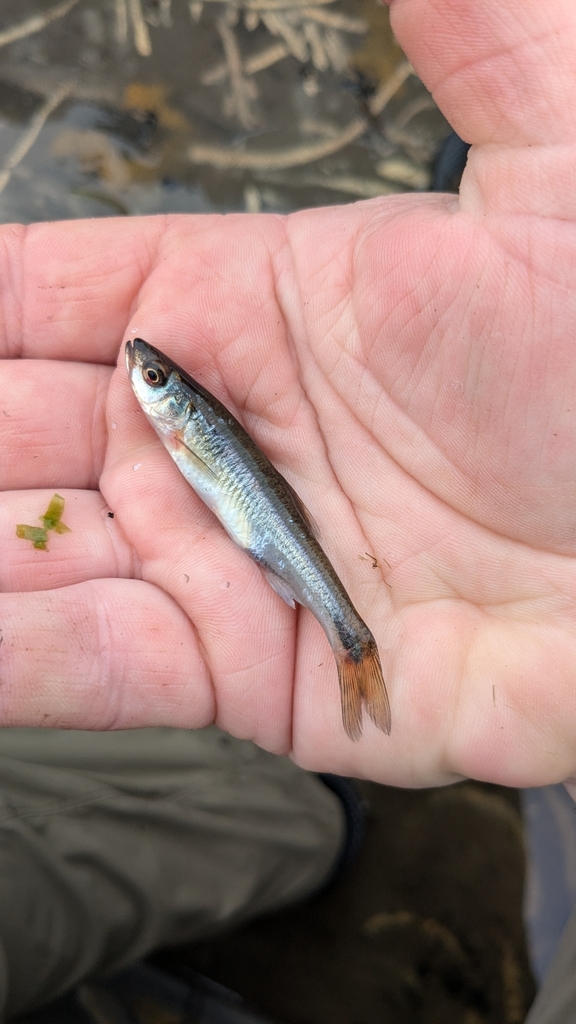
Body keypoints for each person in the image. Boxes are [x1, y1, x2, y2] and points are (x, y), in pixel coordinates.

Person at [1, 0, 576, 1018]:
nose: (149, 381)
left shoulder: (183, 420)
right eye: (155, 380)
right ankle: (323, 812)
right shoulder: (180, 424)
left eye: (160, 381)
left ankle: (323, 798)